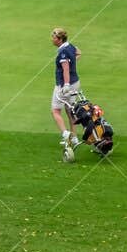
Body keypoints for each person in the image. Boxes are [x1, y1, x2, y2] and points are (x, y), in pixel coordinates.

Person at [50, 27, 82, 162]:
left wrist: (66, 85)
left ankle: (65, 134)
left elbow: (65, 68)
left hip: (64, 86)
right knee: (71, 110)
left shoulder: (63, 52)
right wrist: (73, 61)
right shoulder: (70, 46)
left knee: (55, 111)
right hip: (76, 83)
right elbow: (79, 53)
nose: (52, 39)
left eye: (54, 37)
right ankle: (74, 137)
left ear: (59, 39)